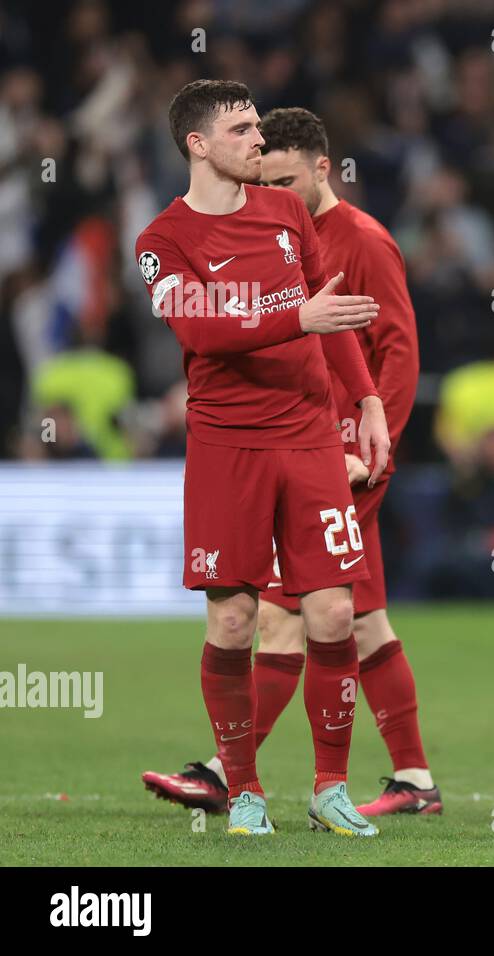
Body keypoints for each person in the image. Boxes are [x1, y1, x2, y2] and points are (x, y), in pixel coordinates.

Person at [140, 107, 439, 818]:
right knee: (352, 617)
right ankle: (412, 778)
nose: (263, 165)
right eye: (247, 142)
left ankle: (233, 774)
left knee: (305, 614)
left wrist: (375, 424)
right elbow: (217, 326)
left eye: (278, 165)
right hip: (247, 447)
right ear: (199, 145)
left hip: (337, 455)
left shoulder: (361, 238)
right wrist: (300, 324)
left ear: (321, 169)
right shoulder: (171, 237)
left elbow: (390, 344)